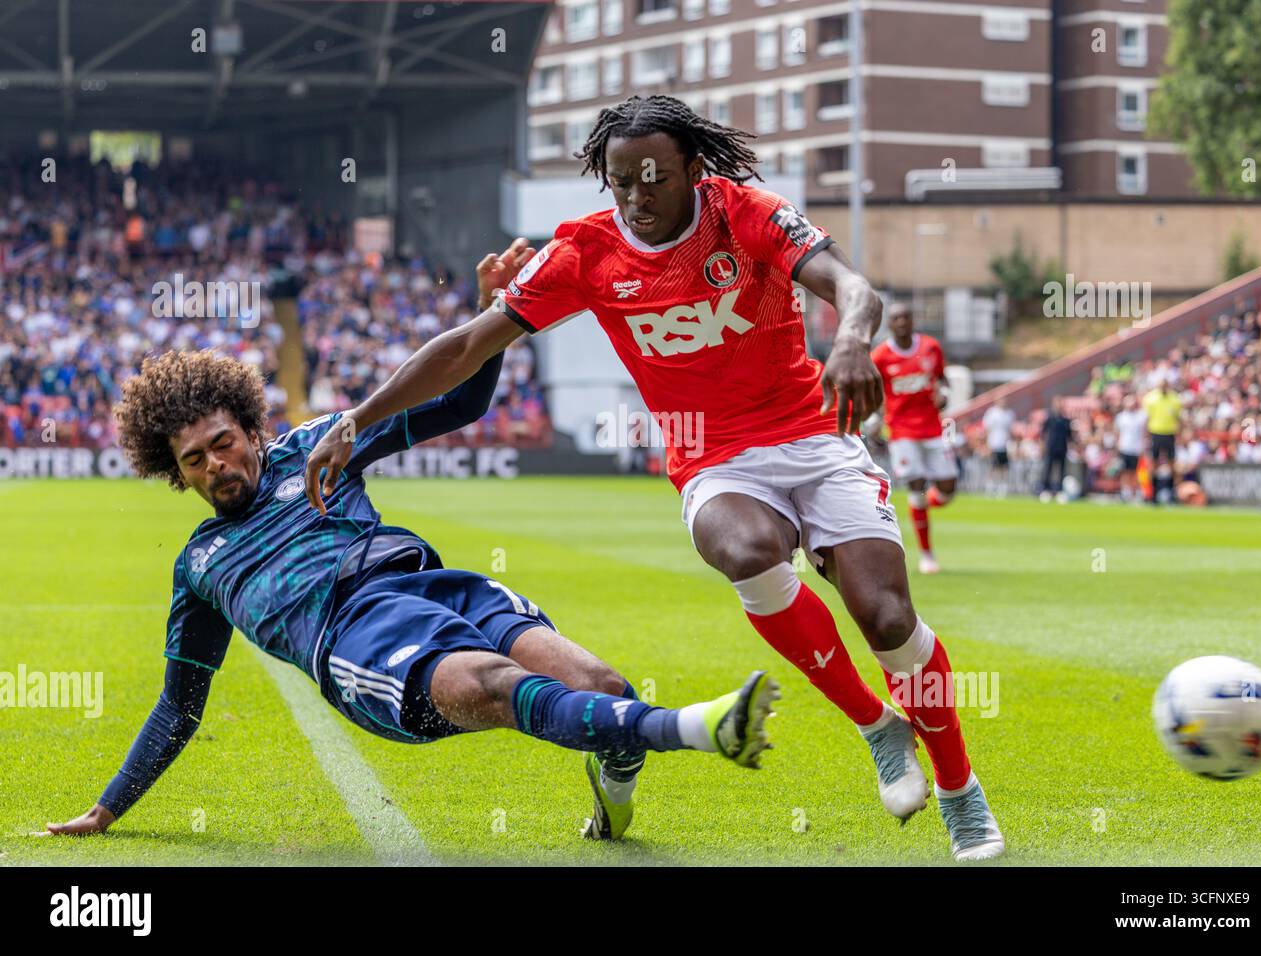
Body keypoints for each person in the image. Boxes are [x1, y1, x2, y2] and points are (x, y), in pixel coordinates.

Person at [305, 94, 1003, 860]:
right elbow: (466, 345)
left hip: (813, 431)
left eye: (653, 178)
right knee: (744, 550)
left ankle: (959, 788)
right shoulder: (582, 253)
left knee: (889, 620)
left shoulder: (749, 214)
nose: (636, 197)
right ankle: (875, 724)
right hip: (714, 455)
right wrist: (355, 420)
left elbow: (855, 287)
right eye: (620, 180)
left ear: (694, 170)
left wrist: (853, 343)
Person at [44, 347, 779, 843]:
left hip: (431, 583)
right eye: (193, 461)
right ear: (177, 474)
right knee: (497, 685)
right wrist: (109, 808)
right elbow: (181, 702)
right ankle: (693, 728)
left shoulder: (316, 447)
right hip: (355, 641)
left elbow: (458, 403)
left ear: (250, 428)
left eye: (222, 442)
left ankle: (613, 786)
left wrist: (494, 321)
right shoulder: (199, 564)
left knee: (602, 684)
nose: (215, 466)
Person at [871, 303, 957, 572]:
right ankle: (927, 555)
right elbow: (873, 392)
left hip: (932, 427)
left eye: (906, 316)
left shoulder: (931, 347)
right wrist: (874, 420)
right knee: (916, 482)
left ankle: (920, 507)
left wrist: (944, 394)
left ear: (912, 320)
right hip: (901, 429)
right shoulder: (880, 357)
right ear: (890, 324)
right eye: (896, 318)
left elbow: (943, 379)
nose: (902, 321)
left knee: (948, 488)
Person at [1143, 375, 1183, 504]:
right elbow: (1147, 418)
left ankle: (1171, 493)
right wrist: (1146, 436)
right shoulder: (1151, 398)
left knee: (1172, 464)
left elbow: (1178, 418)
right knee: (1153, 464)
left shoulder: (1175, 399)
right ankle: (1152, 494)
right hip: (1156, 432)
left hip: (1170, 433)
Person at [1113, 393, 1148, 502]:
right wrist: (1118, 445)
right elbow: (1117, 433)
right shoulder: (1121, 417)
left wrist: (1143, 445)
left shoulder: (1141, 416)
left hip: (1136, 448)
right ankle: (1126, 492)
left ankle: (1136, 492)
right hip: (1125, 447)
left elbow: (1144, 432)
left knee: (1136, 472)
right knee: (1125, 471)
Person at [1039, 397, 1073, 498]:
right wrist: (1042, 446)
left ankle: (1059, 491)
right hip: (1051, 447)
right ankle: (1046, 490)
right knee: (1048, 469)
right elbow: (1043, 434)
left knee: (1061, 470)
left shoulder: (1066, 421)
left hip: (1062, 448)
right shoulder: (1049, 419)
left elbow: (1069, 436)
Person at [981, 398, 1015, 498]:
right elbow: (987, 429)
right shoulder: (992, 413)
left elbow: (1010, 430)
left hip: (1004, 444)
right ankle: (990, 487)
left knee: (1004, 467)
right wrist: (987, 445)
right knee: (993, 466)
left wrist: (1011, 444)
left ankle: (1002, 488)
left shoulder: (1009, 414)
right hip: (994, 443)